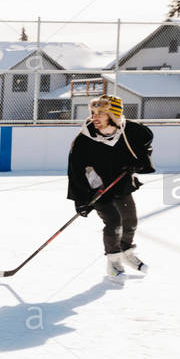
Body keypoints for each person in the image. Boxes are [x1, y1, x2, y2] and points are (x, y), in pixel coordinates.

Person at [66, 94, 154, 280]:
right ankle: (113, 262)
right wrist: (81, 200)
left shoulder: (128, 130)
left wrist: (138, 162)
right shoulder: (84, 140)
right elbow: (75, 171)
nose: (94, 117)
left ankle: (126, 252)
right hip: (98, 189)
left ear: (113, 115)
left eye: (101, 113)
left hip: (120, 184)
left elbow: (146, 141)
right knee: (114, 222)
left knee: (130, 222)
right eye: (93, 113)